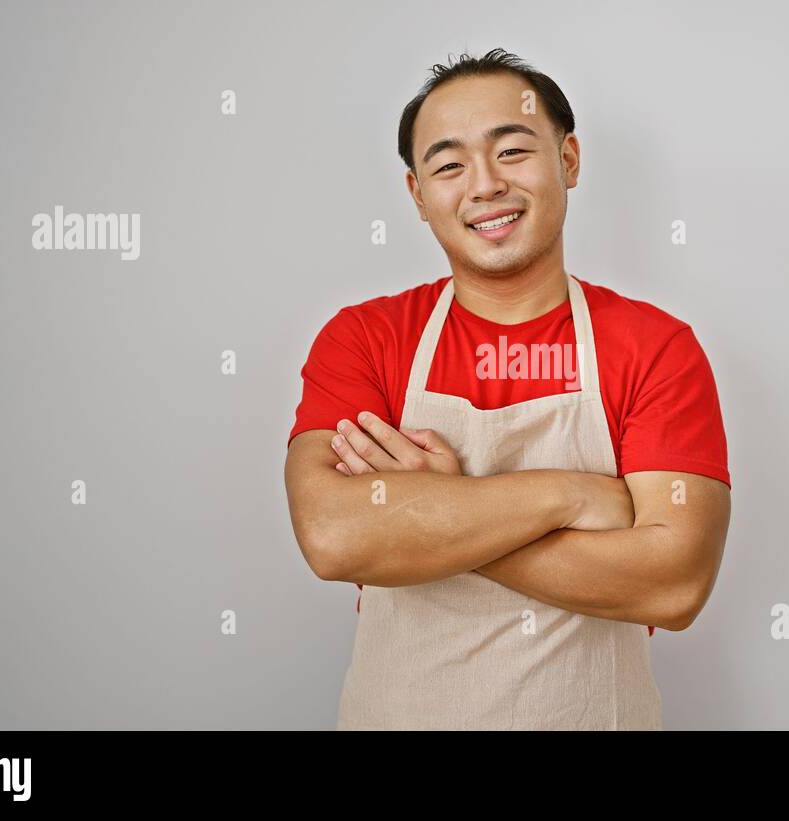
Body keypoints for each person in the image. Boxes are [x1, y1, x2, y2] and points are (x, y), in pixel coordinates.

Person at [284, 48, 731, 730]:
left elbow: (673, 584)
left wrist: (430, 509)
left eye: (513, 150)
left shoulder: (655, 347)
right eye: (448, 164)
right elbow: (334, 535)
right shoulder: (365, 339)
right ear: (418, 196)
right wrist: (574, 495)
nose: (484, 185)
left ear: (569, 160)